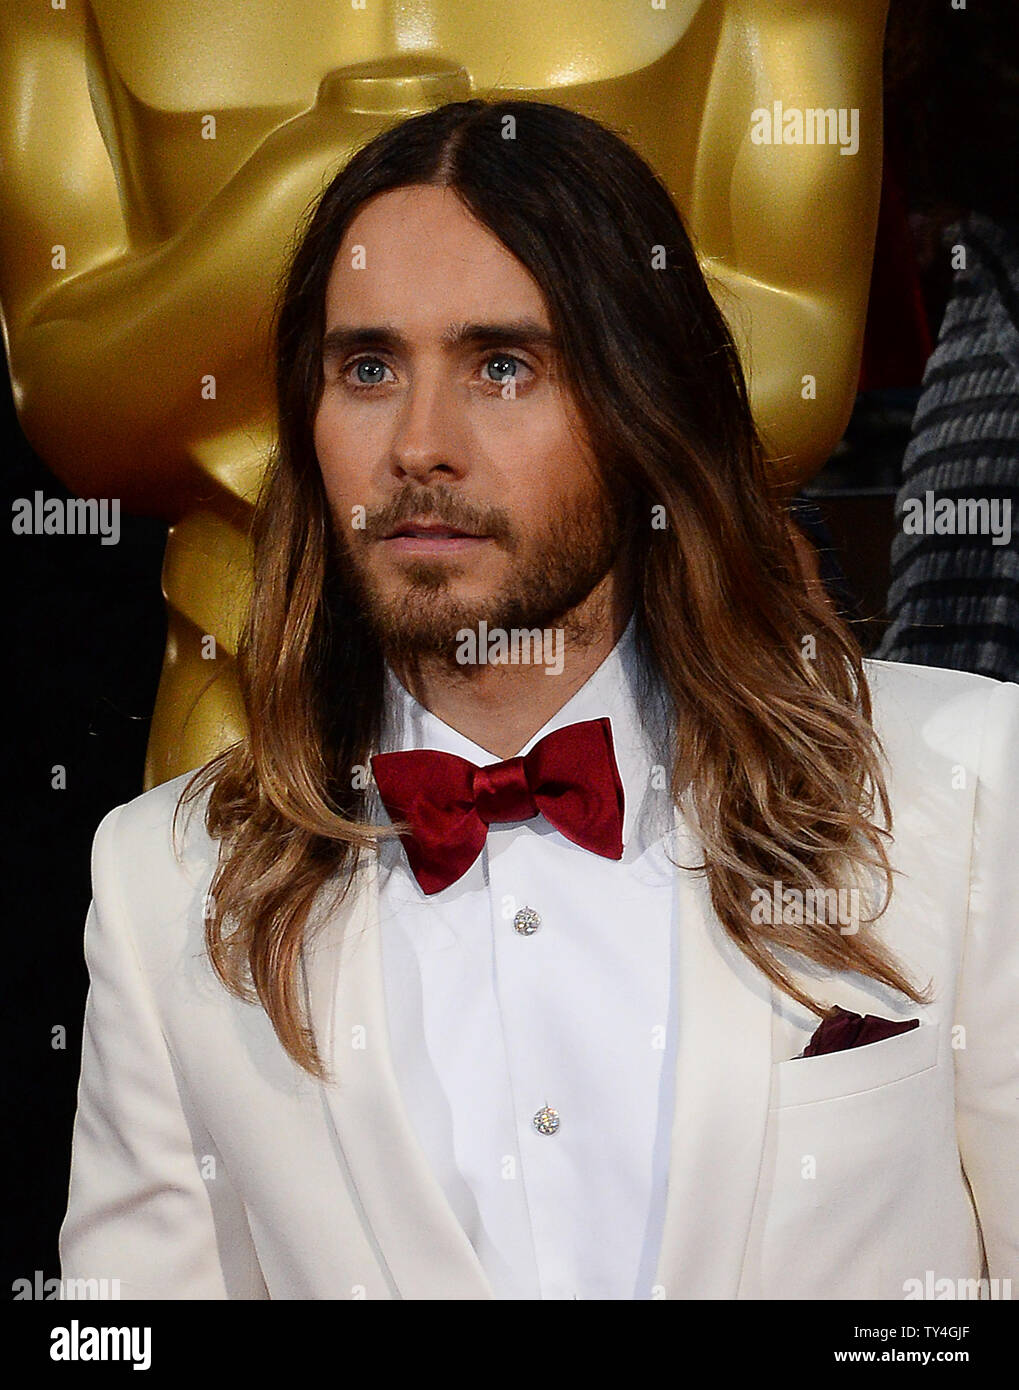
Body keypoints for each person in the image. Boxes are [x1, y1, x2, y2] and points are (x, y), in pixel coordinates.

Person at [59, 99, 1018, 1301]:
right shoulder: (163, 886)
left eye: (501, 365)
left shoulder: (963, 784)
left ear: (639, 405)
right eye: (366, 367)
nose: (419, 443)